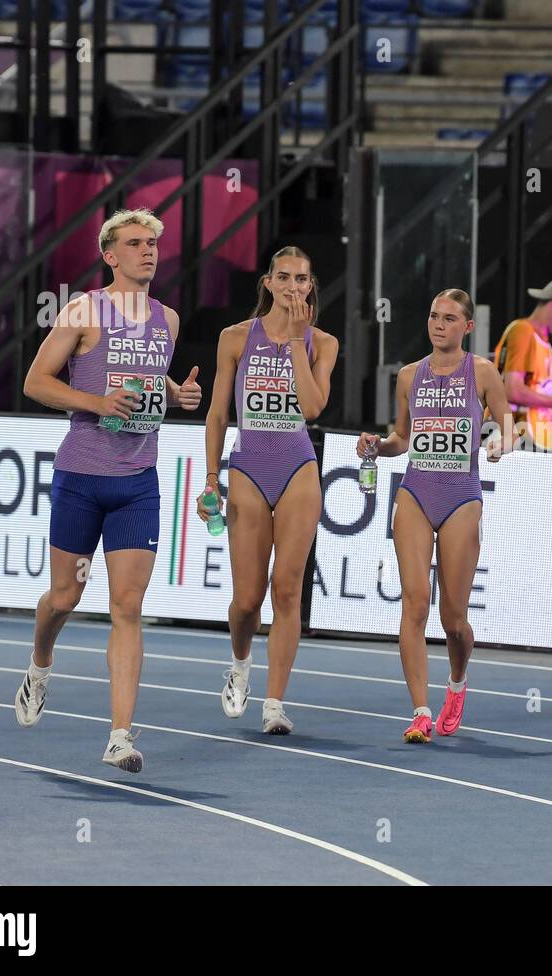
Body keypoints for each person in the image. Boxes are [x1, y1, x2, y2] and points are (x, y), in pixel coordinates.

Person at [15, 207, 202, 773]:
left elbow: (145, 381)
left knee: (128, 606)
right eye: (136, 243)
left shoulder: (166, 320)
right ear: (110, 254)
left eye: (153, 243)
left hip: (137, 485)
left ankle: (120, 734)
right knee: (65, 598)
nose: (149, 251)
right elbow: (36, 382)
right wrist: (97, 404)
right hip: (82, 479)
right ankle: (41, 662)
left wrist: (175, 396)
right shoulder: (83, 310)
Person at [358, 289, 512, 743]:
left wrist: (502, 443)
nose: (438, 324)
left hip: (462, 495)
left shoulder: (482, 371)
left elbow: (509, 423)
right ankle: (420, 712)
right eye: (432, 316)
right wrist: (377, 447)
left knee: (453, 620)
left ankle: (458, 682)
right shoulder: (409, 376)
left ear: (467, 327)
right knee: (414, 603)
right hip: (416, 492)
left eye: (449, 318)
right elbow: (402, 437)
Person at [200, 246, 338, 735]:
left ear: (310, 286)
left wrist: (299, 342)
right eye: (284, 277)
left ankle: (275, 702)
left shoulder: (323, 342)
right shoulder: (235, 338)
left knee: (287, 589)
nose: (293, 286)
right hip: (248, 467)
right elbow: (218, 413)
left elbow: (314, 406)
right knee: (246, 599)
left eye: (302, 279)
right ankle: (240, 663)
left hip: (298, 465)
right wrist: (212, 477)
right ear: (268, 283)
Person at [492, 277, 552, 451]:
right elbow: (512, 390)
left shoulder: (542, 342)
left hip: (535, 440)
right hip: (519, 440)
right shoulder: (522, 331)